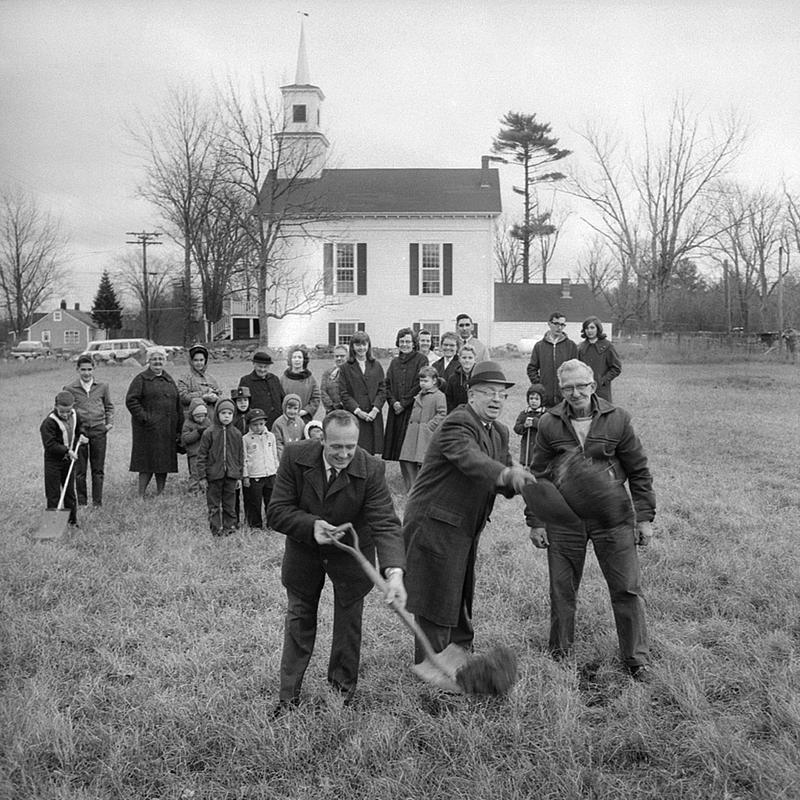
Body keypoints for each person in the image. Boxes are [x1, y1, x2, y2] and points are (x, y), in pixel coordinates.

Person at [267, 410, 407, 709]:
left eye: (350, 447)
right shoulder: (294, 456)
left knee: (348, 625)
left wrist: (394, 572)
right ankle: (288, 697)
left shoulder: (371, 468)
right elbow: (277, 511)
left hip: (352, 558)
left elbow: (385, 522)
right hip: (304, 552)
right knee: (299, 619)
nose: (344, 454)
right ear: (322, 441)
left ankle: (340, 693)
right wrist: (310, 525)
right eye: (336, 447)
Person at [525, 359, 655, 682]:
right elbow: (537, 473)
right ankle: (560, 655)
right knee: (562, 589)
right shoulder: (549, 424)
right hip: (564, 517)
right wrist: (536, 521)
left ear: (593, 386)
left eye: (582, 385)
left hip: (612, 516)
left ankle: (636, 659)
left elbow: (638, 470)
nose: (575, 392)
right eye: (568, 387)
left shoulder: (618, 419)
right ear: (561, 390)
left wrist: (644, 518)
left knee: (626, 587)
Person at [403, 361, 534, 663]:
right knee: (436, 599)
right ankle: (433, 669)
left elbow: (503, 470)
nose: (496, 400)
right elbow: (472, 461)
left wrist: (524, 479)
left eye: (501, 395)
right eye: (488, 392)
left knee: (460, 594)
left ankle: (461, 658)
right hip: (434, 523)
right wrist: (507, 475)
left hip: (463, 527)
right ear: (471, 395)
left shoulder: (498, 431)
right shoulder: (458, 423)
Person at [125, 346, 183, 498]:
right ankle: (140, 494)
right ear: (148, 361)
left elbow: (177, 404)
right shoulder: (141, 379)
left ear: (165, 361)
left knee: (163, 462)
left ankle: (160, 492)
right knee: (146, 462)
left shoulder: (169, 379)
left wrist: (178, 427)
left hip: (166, 429)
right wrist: (145, 417)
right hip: (147, 430)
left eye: (160, 359)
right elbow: (131, 400)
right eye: (154, 359)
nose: (157, 362)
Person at [62, 354, 114, 506]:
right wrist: (75, 431)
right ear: (77, 370)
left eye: (89, 369)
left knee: (98, 469)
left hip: (99, 430)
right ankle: (82, 503)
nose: (86, 373)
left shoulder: (102, 386)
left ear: (94, 369)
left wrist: (108, 423)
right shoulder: (70, 388)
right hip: (80, 433)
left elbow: (109, 406)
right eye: (83, 370)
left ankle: (97, 502)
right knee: (80, 470)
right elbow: (67, 412)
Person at [383, 328, 429, 485]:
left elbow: (420, 384)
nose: (405, 344)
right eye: (402, 341)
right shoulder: (394, 362)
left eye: (408, 341)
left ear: (414, 343)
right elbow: (387, 384)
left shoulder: (421, 359)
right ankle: (407, 481)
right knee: (400, 448)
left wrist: (403, 403)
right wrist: (393, 402)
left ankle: (418, 483)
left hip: (413, 410)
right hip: (396, 411)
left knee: (413, 448)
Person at [40, 391, 89, 526]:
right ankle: (51, 526)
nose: (66, 415)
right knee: (53, 494)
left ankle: (72, 522)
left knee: (69, 493)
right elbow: (50, 445)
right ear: (56, 406)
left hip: (68, 461)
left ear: (72, 407)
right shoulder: (49, 423)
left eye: (68, 411)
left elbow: (80, 428)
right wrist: (67, 450)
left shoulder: (75, 415)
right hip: (53, 462)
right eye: (62, 412)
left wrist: (82, 435)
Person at [197, 398, 244, 537]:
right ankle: (216, 530)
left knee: (230, 505)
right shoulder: (209, 433)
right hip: (214, 476)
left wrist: (239, 476)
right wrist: (202, 476)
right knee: (214, 505)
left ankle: (230, 528)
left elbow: (240, 457)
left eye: (229, 413)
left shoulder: (236, 433)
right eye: (223, 413)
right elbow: (202, 456)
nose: (226, 416)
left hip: (231, 476)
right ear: (217, 414)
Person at [398, 365, 447, 491]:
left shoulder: (439, 396)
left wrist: (430, 426)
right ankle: (411, 487)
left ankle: (423, 489)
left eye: (426, 381)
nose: (422, 384)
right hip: (413, 433)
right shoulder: (419, 394)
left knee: (423, 461)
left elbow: (442, 413)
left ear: (434, 381)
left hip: (425, 434)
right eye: (421, 381)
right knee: (407, 459)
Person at [337, 331, 386, 455]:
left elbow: (382, 389)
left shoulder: (376, 365)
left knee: (370, 453)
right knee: (354, 450)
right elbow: (344, 393)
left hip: (373, 415)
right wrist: (358, 411)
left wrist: (375, 410)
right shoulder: (345, 368)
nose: (361, 348)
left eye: (364, 344)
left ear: (368, 345)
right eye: (357, 345)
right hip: (355, 416)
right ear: (352, 347)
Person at [526, 311, 578, 408]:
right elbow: (532, 368)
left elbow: (576, 370)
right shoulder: (539, 346)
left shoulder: (571, 346)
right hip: (546, 399)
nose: (559, 327)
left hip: (564, 398)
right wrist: (539, 386)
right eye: (556, 324)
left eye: (562, 325)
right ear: (549, 324)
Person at [242, 408, 279, 529]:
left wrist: (277, 470)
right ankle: (255, 525)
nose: (258, 427)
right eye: (255, 425)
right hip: (255, 475)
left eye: (261, 424)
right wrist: (245, 475)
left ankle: (272, 524)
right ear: (249, 425)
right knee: (254, 502)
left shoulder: (271, 437)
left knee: (271, 501)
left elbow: (274, 454)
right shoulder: (245, 439)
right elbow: (244, 458)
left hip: (270, 473)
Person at [577, 316, 622, 402]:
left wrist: (602, 380)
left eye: (592, 328)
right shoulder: (580, 348)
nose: (589, 331)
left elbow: (616, 368)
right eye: (586, 328)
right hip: (584, 390)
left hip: (602, 391)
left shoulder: (607, 346)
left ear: (598, 329)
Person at [238, 351, 285, 431]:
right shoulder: (246, 381)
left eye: (265, 367)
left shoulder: (274, 379)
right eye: (260, 366)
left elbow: (283, 398)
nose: (263, 369)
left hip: (277, 424)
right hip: (258, 426)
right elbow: (242, 405)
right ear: (254, 364)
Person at [177, 344, 222, 417]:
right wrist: (203, 396)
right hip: (193, 418)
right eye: (196, 360)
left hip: (211, 417)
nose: (199, 363)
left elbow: (218, 395)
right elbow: (183, 398)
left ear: (205, 361)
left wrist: (215, 396)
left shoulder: (211, 378)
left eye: (201, 360)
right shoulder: (184, 378)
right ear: (191, 361)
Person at [279, 345, 321, 421]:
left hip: (304, 417)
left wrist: (305, 411)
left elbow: (316, 398)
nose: (297, 360)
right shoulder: (283, 378)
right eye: (294, 357)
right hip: (286, 417)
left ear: (304, 360)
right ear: (290, 360)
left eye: (299, 357)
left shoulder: (310, 379)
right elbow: (279, 398)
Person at [181, 398, 211, 494]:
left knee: (206, 472)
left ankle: (205, 489)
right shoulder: (187, 424)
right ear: (192, 415)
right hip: (194, 453)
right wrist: (197, 432)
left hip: (206, 453)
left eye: (202, 416)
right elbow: (186, 438)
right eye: (197, 416)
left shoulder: (207, 422)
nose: (200, 419)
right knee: (195, 473)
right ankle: (194, 490)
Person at [513, 383, 546, 469]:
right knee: (526, 469)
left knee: (538, 469)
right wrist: (524, 426)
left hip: (540, 450)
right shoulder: (524, 413)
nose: (533, 401)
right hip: (526, 450)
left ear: (542, 400)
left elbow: (547, 428)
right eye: (531, 398)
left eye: (536, 399)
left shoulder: (545, 414)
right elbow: (517, 428)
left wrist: (535, 423)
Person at [444, 343, 476, 413]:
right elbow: (448, 400)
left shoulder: (479, 377)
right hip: (457, 415)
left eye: (470, 358)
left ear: (475, 359)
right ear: (459, 359)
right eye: (464, 358)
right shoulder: (453, 379)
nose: (467, 360)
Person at [273, 394, 305, 459]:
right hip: (284, 455)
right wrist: (282, 458)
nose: (292, 411)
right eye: (289, 408)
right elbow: (278, 443)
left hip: (298, 454)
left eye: (295, 408)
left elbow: (303, 439)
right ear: (284, 407)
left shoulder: (300, 422)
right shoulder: (278, 423)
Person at [320, 345, 348, 413]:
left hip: (348, 410)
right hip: (331, 411)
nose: (339, 358)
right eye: (336, 356)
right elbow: (323, 391)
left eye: (342, 356)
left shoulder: (353, 373)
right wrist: (332, 407)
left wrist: (342, 405)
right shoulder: (327, 373)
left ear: (347, 357)